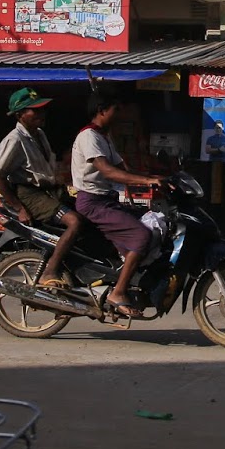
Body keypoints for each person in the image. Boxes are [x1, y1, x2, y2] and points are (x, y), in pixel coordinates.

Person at [71, 91, 166, 319]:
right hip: (93, 202)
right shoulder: (89, 136)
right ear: (102, 110)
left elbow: (124, 170)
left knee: (149, 223)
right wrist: (147, 180)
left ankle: (127, 281)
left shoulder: (105, 136)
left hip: (107, 200)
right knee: (142, 236)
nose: (119, 113)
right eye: (115, 109)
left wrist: (159, 178)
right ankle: (118, 292)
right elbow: (107, 170)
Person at [0, 87, 81, 289]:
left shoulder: (39, 134)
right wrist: (18, 207)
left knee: (86, 212)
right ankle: (49, 271)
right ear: (20, 114)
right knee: (73, 222)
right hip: (29, 194)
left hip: (47, 191)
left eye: (43, 110)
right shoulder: (14, 139)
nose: (41, 114)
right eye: (35, 110)